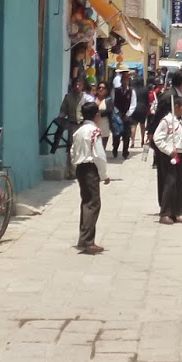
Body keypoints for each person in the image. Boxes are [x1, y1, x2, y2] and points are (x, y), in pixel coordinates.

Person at [71, 102, 112, 254]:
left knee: (86, 202)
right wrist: (104, 174)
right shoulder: (94, 131)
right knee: (93, 204)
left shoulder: (79, 131)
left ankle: (84, 238)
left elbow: (73, 150)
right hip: (90, 168)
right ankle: (88, 241)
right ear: (97, 115)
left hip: (80, 167)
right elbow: (99, 155)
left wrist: (75, 164)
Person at [152, 96, 182, 225]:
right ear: (176, 107)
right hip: (169, 156)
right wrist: (168, 150)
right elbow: (157, 138)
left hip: (180, 153)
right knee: (169, 183)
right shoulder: (166, 121)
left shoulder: (180, 121)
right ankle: (165, 213)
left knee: (179, 184)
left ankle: (175, 212)